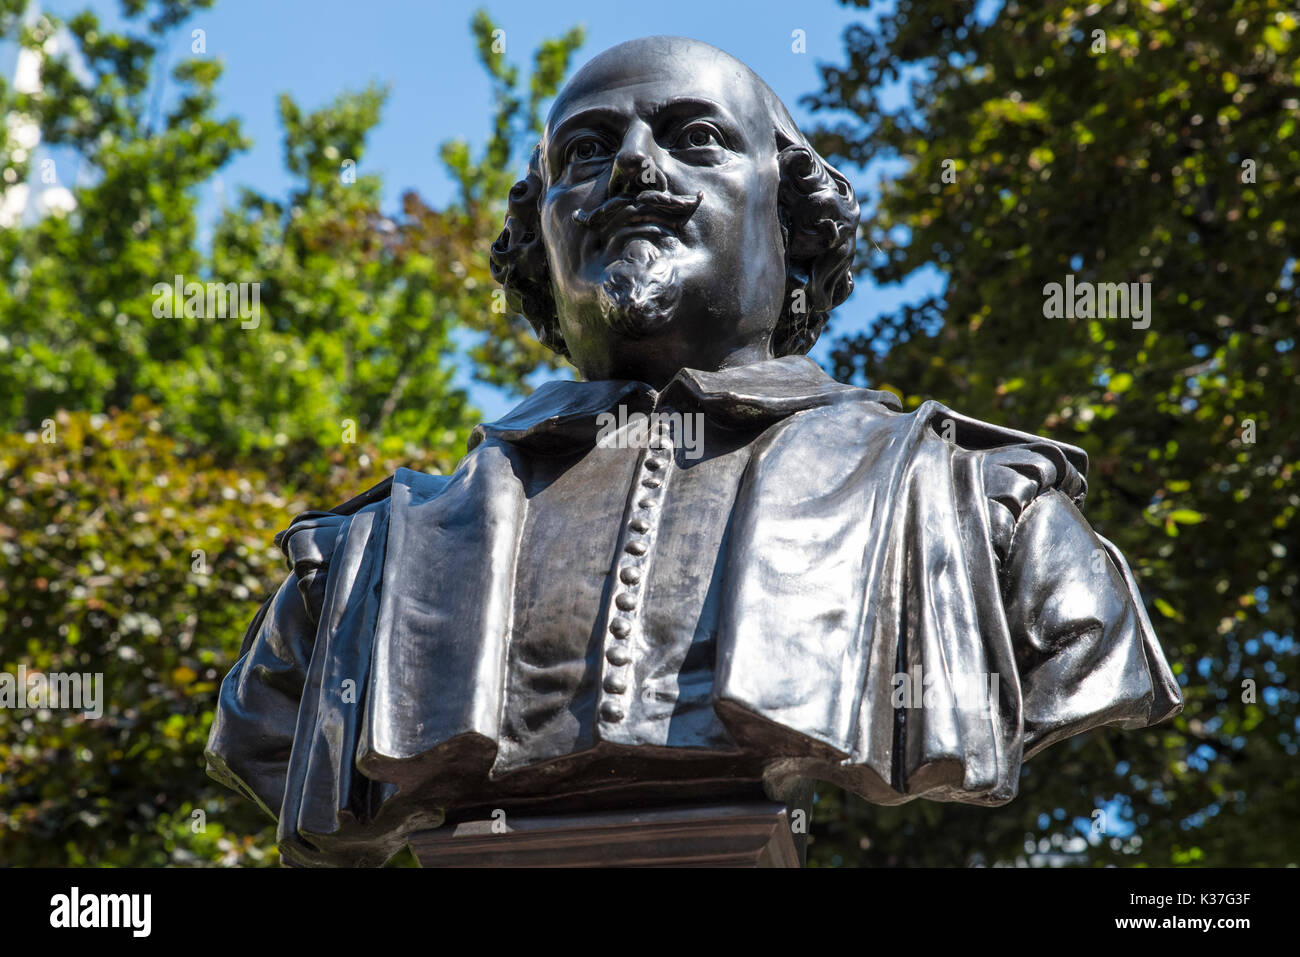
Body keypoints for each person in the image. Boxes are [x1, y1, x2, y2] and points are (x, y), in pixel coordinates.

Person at [206, 35, 1181, 867]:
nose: (632, 168)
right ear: (539, 240)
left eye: (695, 138)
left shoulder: (973, 507)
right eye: (583, 153)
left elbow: (1082, 661)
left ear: (792, 220)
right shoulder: (362, 563)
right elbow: (264, 730)